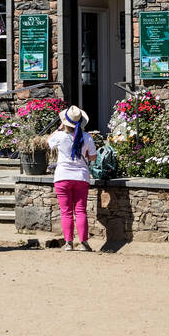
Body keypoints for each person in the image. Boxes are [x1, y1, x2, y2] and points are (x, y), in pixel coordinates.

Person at [47, 105, 97, 252]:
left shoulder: (60, 136)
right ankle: (84, 243)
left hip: (62, 176)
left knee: (66, 211)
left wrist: (59, 127)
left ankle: (68, 243)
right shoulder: (87, 137)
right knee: (81, 210)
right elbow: (93, 157)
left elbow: (47, 141)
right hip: (81, 176)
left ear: (65, 122)